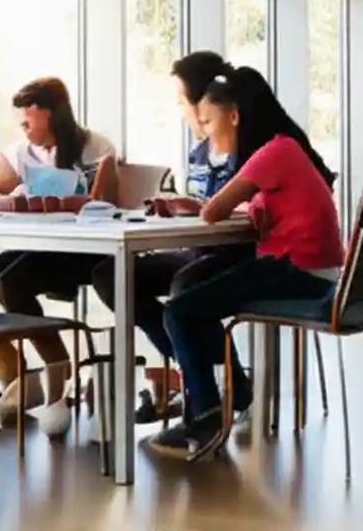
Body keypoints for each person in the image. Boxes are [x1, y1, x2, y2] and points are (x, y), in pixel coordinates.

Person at [151, 71, 342, 458]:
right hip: (315, 272)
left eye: (209, 119)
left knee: (178, 311)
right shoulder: (289, 148)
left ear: (235, 115)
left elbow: (213, 212)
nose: (204, 128)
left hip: (294, 270)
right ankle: (226, 395)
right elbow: (244, 208)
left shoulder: (273, 151)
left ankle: (205, 415)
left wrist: (204, 206)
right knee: (195, 301)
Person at [90, 51, 255, 423]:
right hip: (196, 251)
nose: (182, 111)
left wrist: (201, 208)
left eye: (183, 101)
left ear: (203, 103)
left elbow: (239, 211)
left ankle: (208, 390)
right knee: (110, 275)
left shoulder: (246, 148)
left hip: (237, 257)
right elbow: (202, 204)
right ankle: (203, 366)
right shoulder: (198, 152)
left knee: (187, 284)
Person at [0, 77, 118, 437]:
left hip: (88, 252)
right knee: (4, 273)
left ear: (52, 115)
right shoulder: (21, 152)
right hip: (43, 247)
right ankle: (56, 362)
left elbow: (105, 203)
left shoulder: (96, 148)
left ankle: (49, 375)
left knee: (10, 271)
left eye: (29, 120)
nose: (24, 127)